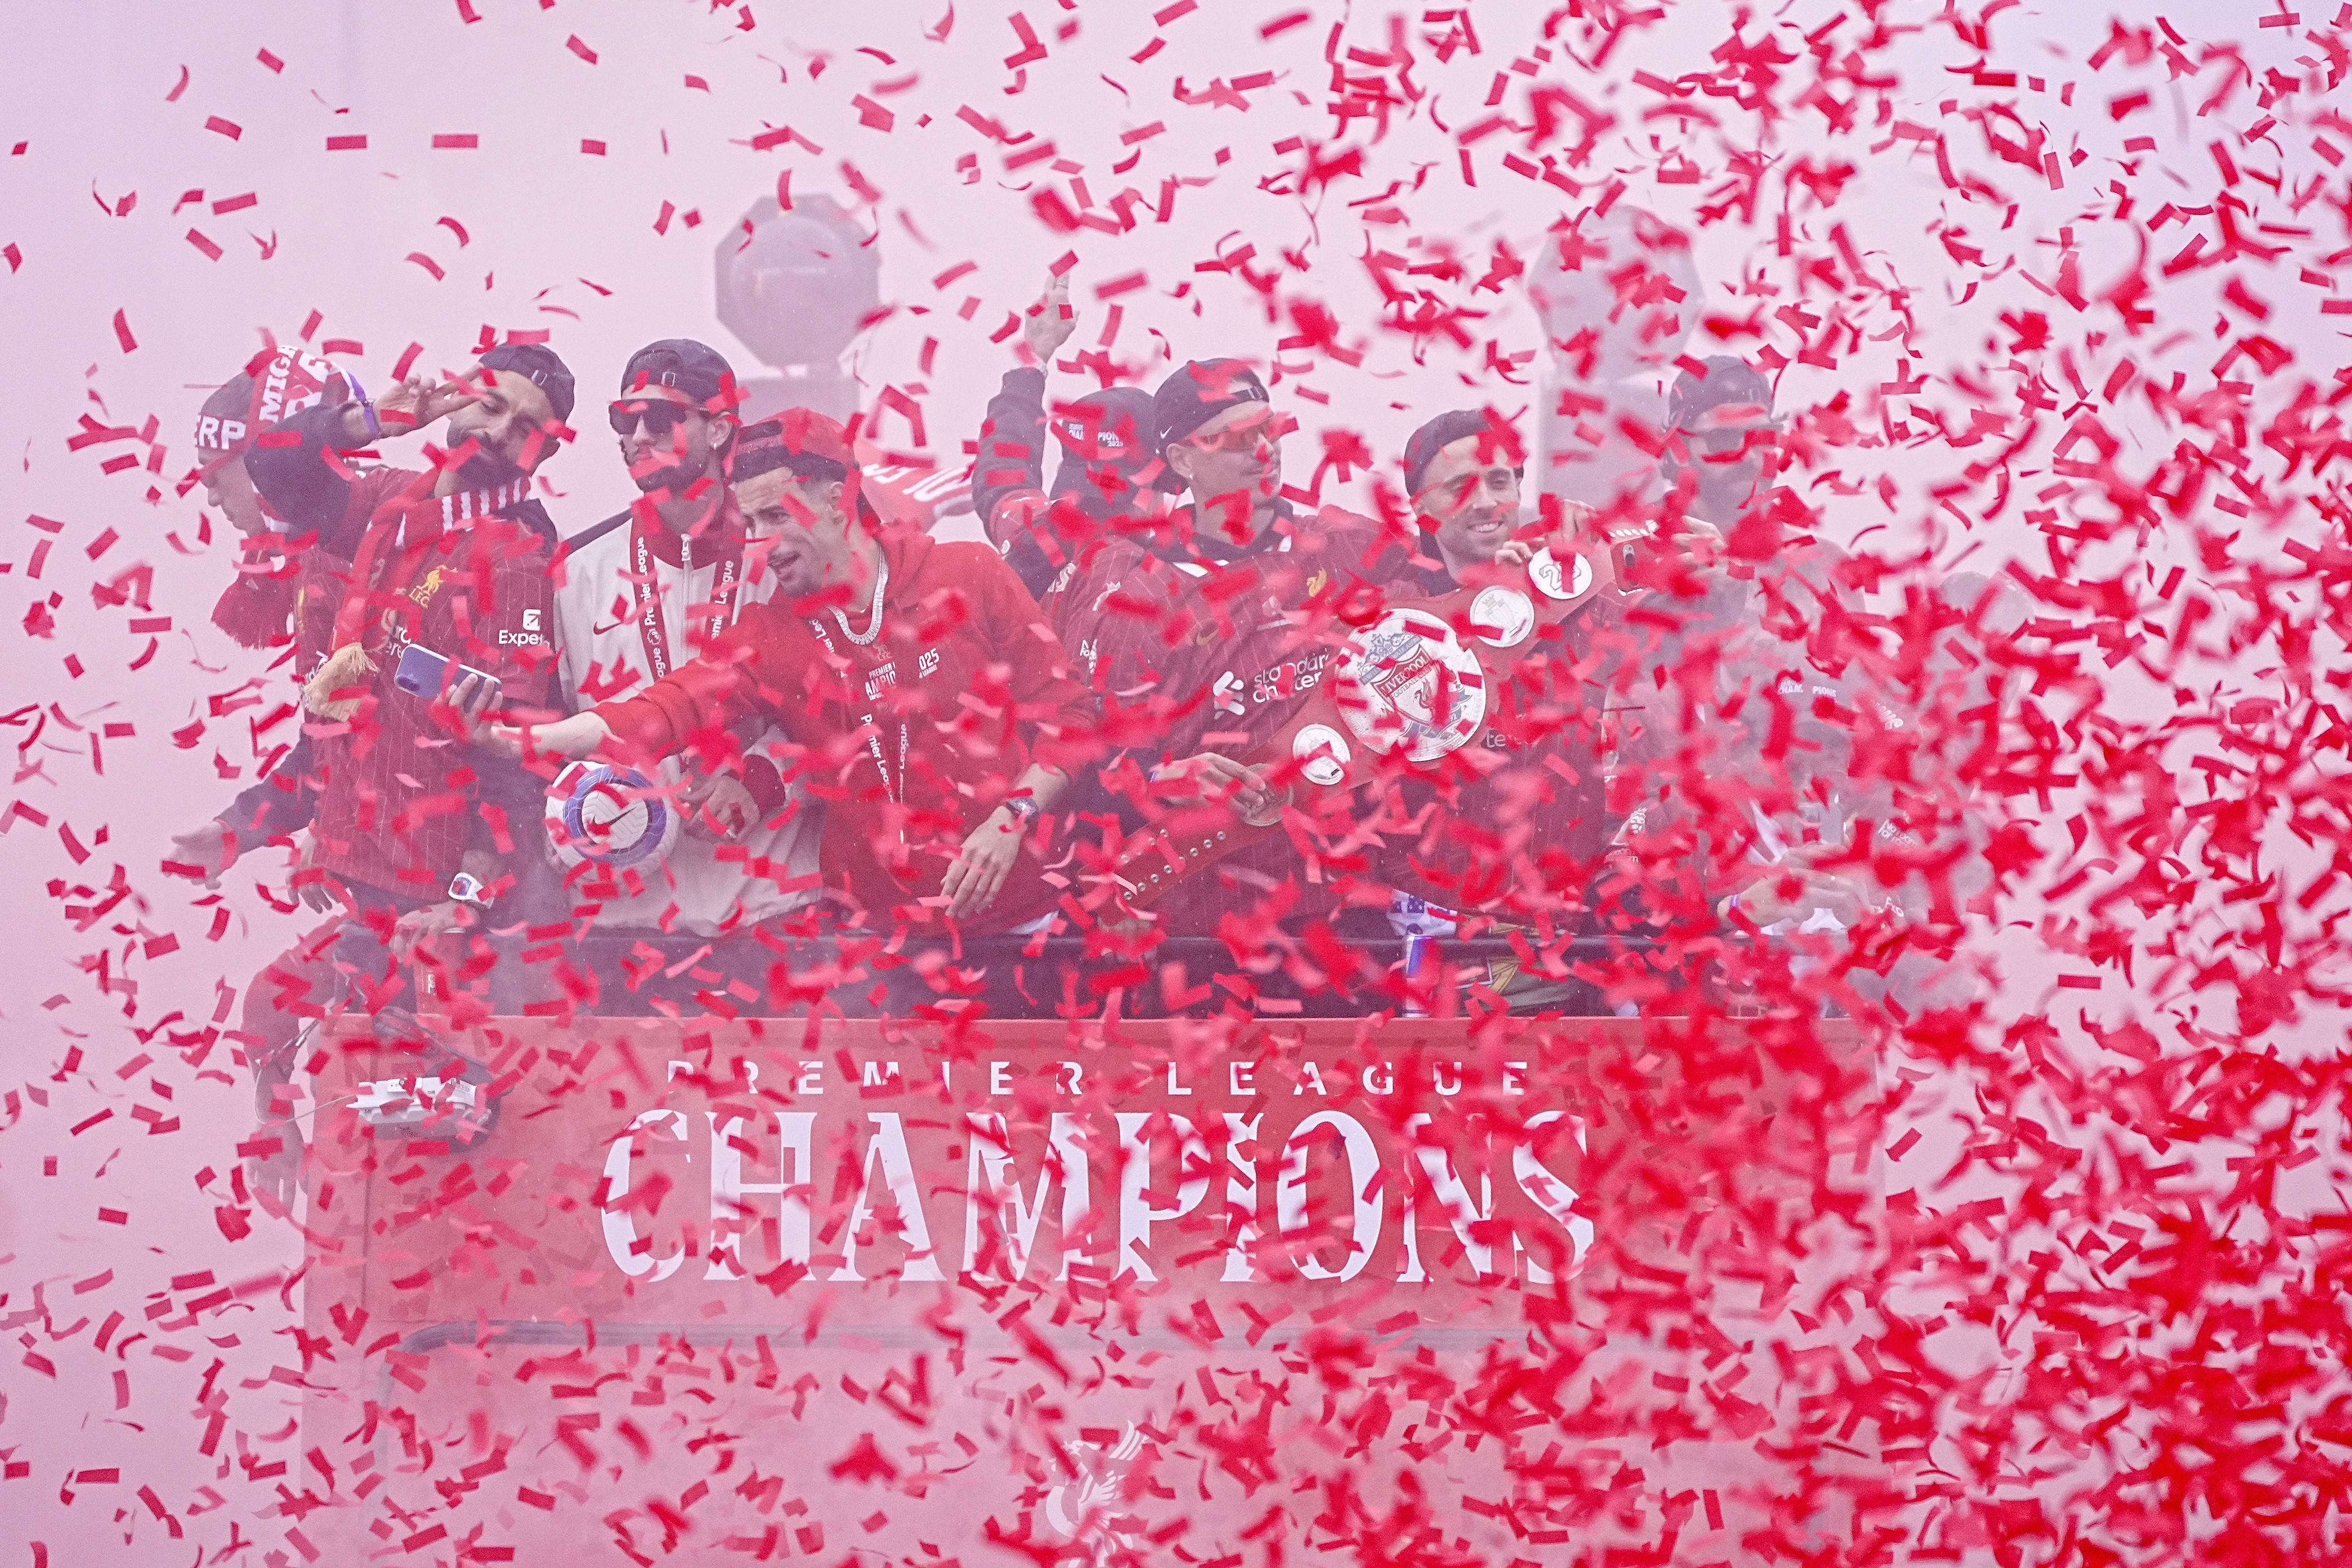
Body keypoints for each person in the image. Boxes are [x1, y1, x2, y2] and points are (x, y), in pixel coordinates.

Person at [171, 341, 577, 1202]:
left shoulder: (517, 556)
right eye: (488, 403)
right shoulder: (386, 505)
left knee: (439, 1127)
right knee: (277, 1008)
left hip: (458, 910)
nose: (499, 432)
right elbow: (278, 477)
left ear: (545, 449)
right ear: (456, 397)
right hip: (381, 884)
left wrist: (467, 899)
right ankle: (297, 1146)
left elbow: (516, 754)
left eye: (526, 426)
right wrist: (369, 420)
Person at [484, 408, 1094, 937]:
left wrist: (1011, 819)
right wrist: (526, 740)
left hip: (1024, 919)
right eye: (749, 525)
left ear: (837, 499)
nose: (761, 544)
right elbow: (664, 709)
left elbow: (1072, 716)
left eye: (776, 515)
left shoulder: (969, 573)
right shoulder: (774, 631)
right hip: (878, 940)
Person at [1041, 358, 1410, 939]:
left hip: (1334, 916)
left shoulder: (1346, 547)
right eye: (1235, 438)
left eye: (1268, 429)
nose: (1264, 450)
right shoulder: (1125, 583)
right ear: (1182, 459)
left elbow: (1466, 590)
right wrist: (1162, 778)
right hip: (1191, 924)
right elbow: (1077, 764)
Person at [546, 346, 824, 981]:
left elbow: (848, 709)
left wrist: (763, 779)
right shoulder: (574, 569)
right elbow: (553, 735)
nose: (639, 435)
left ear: (719, 426)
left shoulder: (785, 554)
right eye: (625, 420)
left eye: (661, 418)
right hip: (623, 927)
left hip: (773, 914)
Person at [972, 272, 1169, 597]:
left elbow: (1003, 468)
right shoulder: (1166, 599)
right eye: (1091, 506)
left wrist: (1033, 356)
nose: (1093, 525)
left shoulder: (1024, 533)